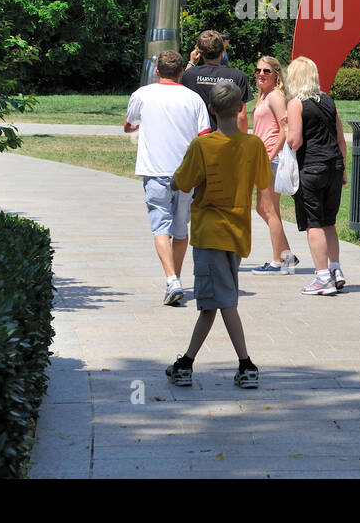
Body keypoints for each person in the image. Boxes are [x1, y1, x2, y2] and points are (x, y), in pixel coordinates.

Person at [167, 81, 272, 389]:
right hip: (238, 234)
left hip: (209, 233)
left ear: (211, 109)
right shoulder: (253, 145)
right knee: (211, 304)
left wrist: (173, 183)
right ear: (241, 108)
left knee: (224, 301)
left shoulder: (203, 146)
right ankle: (185, 363)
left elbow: (183, 182)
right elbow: (263, 179)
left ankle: (246, 364)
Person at [124, 49, 211, 306]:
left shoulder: (142, 94)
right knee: (181, 229)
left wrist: (136, 126)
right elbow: (205, 136)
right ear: (182, 72)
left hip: (154, 171)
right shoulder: (194, 99)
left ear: (157, 71)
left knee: (160, 226)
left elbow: (129, 124)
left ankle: (172, 279)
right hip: (186, 173)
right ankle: (176, 278)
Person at [285, 56, 348, 296]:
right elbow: (341, 138)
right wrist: (342, 168)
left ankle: (322, 278)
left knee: (314, 223)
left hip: (311, 168)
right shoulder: (329, 101)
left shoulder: (296, 103)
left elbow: (295, 140)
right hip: (333, 166)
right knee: (329, 221)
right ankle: (335, 269)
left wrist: (286, 128)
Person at [248, 55, 299, 274]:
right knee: (267, 209)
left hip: (271, 158)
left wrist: (270, 156)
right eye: (258, 70)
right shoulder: (265, 95)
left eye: (266, 71)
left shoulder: (276, 96)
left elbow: (284, 128)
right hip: (262, 157)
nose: (261, 74)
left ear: (276, 74)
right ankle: (287, 256)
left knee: (268, 209)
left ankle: (278, 261)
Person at [181, 30, 250, 131]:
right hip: (228, 139)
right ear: (222, 51)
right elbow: (242, 116)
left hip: (199, 140)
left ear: (199, 52)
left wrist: (192, 62)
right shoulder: (237, 76)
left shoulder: (189, 75)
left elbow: (181, 89)